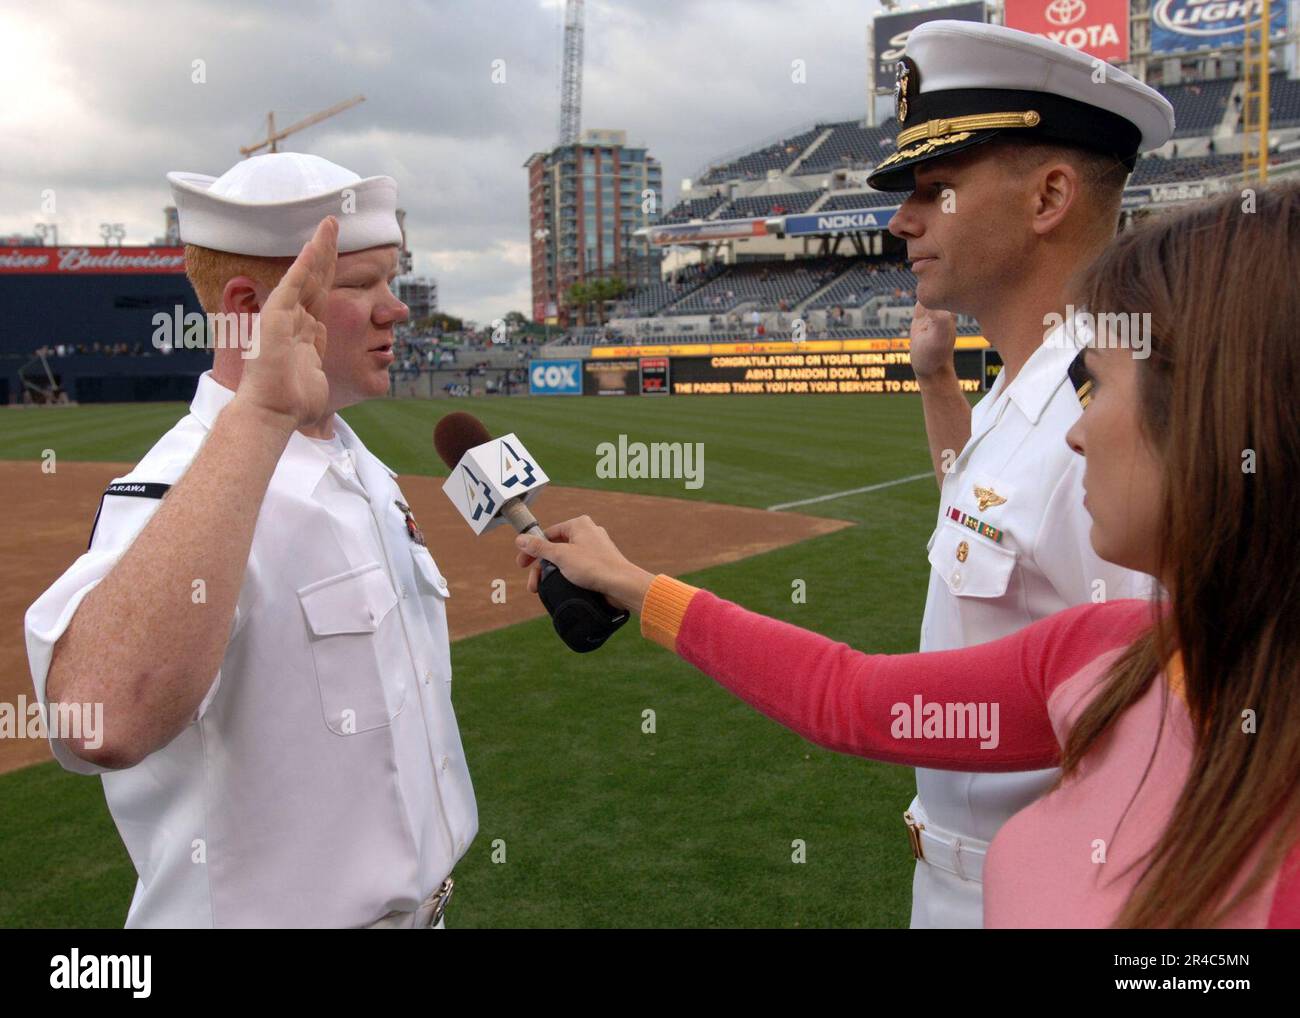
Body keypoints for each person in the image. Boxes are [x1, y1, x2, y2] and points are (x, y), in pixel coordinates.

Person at [514, 181, 1300, 928]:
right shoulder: (1108, 652)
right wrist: (629, 582)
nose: (1076, 428)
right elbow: (848, 697)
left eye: (1100, 386)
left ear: (1212, 414)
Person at [24, 153, 476, 928]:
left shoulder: (354, 460)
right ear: (247, 305)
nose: (394, 309)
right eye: (359, 284)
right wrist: (263, 413)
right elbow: (101, 720)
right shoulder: (185, 489)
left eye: (390, 282)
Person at [864, 20, 1175, 927]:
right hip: (962, 882)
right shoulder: (1021, 385)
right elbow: (989, 521)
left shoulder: (1114, 417)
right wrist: (934, 385)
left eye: (936, 189)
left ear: (1048, 196)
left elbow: (1168, 744)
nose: (900, 220)